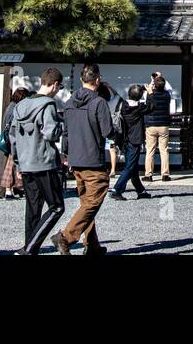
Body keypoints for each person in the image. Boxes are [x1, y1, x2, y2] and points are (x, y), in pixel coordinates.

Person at [53, 63, 115, 256]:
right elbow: (108, 131)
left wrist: (65, 154)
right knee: (92, 202)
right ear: (97, 80)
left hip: (75, 159)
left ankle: (92, 245)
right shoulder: (99, 103)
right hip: (93, 159)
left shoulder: (70, 102)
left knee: (87, 202)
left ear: (81, 80)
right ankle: (65, 236)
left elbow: (65, 132)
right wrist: (118, 131)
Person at [10, 67, 67, 255]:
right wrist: (61, 124)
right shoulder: (47, 105)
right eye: (59, 87)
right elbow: (50, 133)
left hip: (25, 162)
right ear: (56, 85)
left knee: (33, 208)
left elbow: (13, 137)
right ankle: (30, 248)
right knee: (57, 207)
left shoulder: (20, 105)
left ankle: (29, 247)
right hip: (43, 161)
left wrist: (18, 162)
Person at [110, 83, 153, 199]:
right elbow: (152, 106)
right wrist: (150, 93)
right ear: (140, 97)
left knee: (133, 167)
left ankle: (141, 191)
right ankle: (117, 189)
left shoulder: (123, 105)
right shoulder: (139, 108)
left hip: (124, 139)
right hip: (135, 140)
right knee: (130, 167)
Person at [143, 72, 174, 182]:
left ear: (154, 85)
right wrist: (160, 77)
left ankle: (148, 174)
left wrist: (152, 80)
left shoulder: (150, 95)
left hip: (151, 125)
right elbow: (169, 88)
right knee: (164, 150)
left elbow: (149, 93)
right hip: (163, 125)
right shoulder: (167, 95)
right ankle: (165, 174)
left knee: (150, 150)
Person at [0, 87, 29, 200]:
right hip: (13, 140)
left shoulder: (10, 106)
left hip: (8, 139)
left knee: (11, 165)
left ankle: (15, 188)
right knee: (11, 166)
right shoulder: (15, 108)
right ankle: (8, 190)